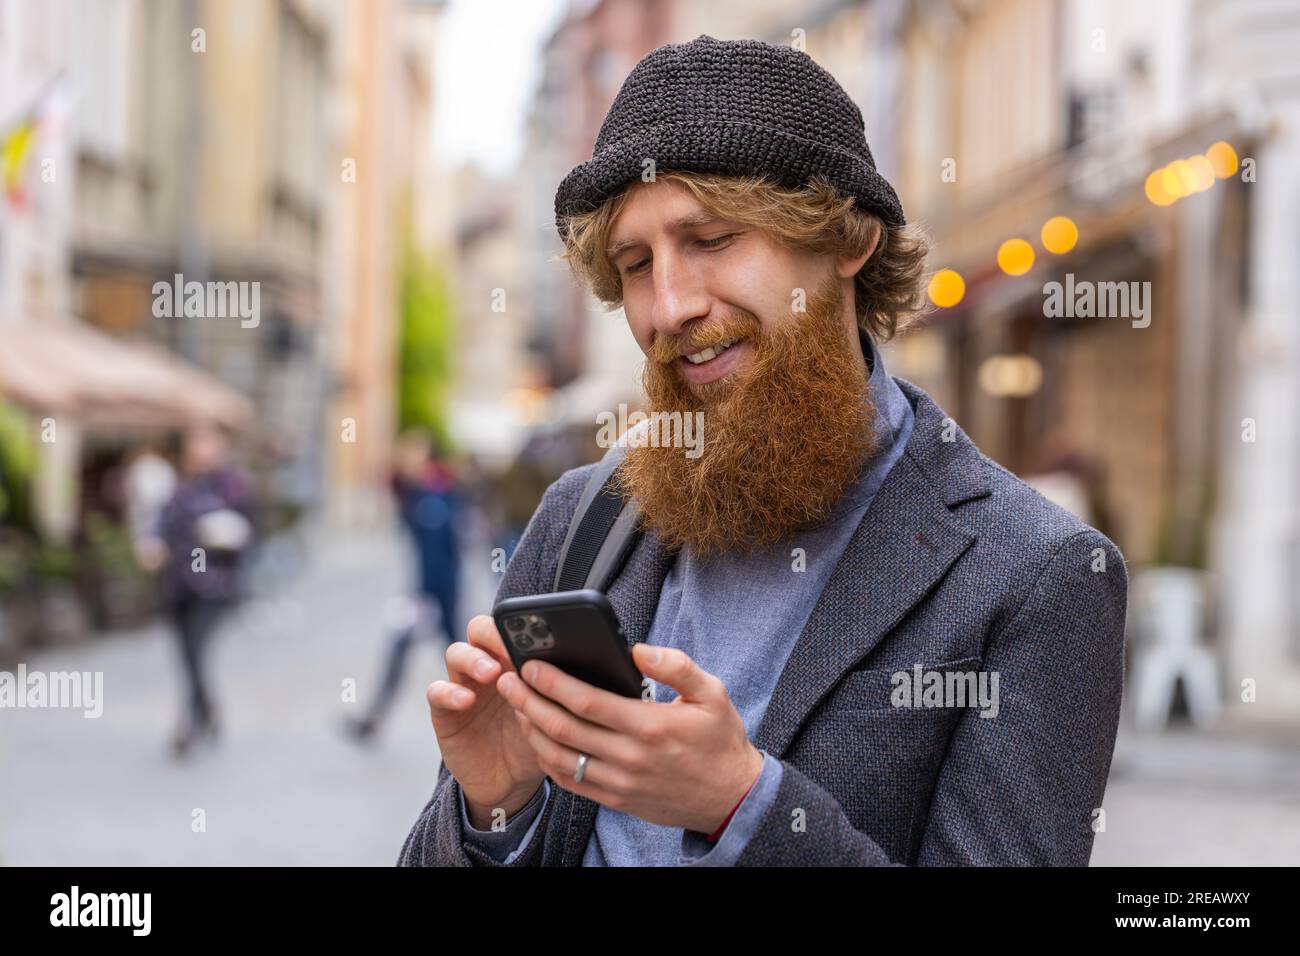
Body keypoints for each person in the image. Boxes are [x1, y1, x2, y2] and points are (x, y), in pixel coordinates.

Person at [399, 36, 1128, 867]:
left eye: (711, 239)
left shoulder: (1038, 574)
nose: (668, 307)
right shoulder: (581, 514)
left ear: (846, 240)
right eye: (635, 264)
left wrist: (743, 808)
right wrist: (496, 807)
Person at [136, 422, 252, 758]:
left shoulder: (232, 485)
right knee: (185, 655)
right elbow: (161, 521)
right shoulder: (180, 485)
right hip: (178, 583)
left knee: (196, 653)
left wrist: (224, 533)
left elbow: (248, 532)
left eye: (204, 441)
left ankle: (188, 726)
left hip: (213, 586)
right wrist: (152, 542)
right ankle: (209, 712)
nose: (198, 448)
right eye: (194, 442)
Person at [346, 430, 461, 741]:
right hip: (429, 594)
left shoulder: (437, 495)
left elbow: (440, 553)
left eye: (414, 454)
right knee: (429, 655)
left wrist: (427, 597)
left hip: (436, 593)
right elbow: (390, 480)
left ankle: (372, 719)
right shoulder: (421, 492)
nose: (408, 459)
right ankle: (372, 719)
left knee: (459, 660)